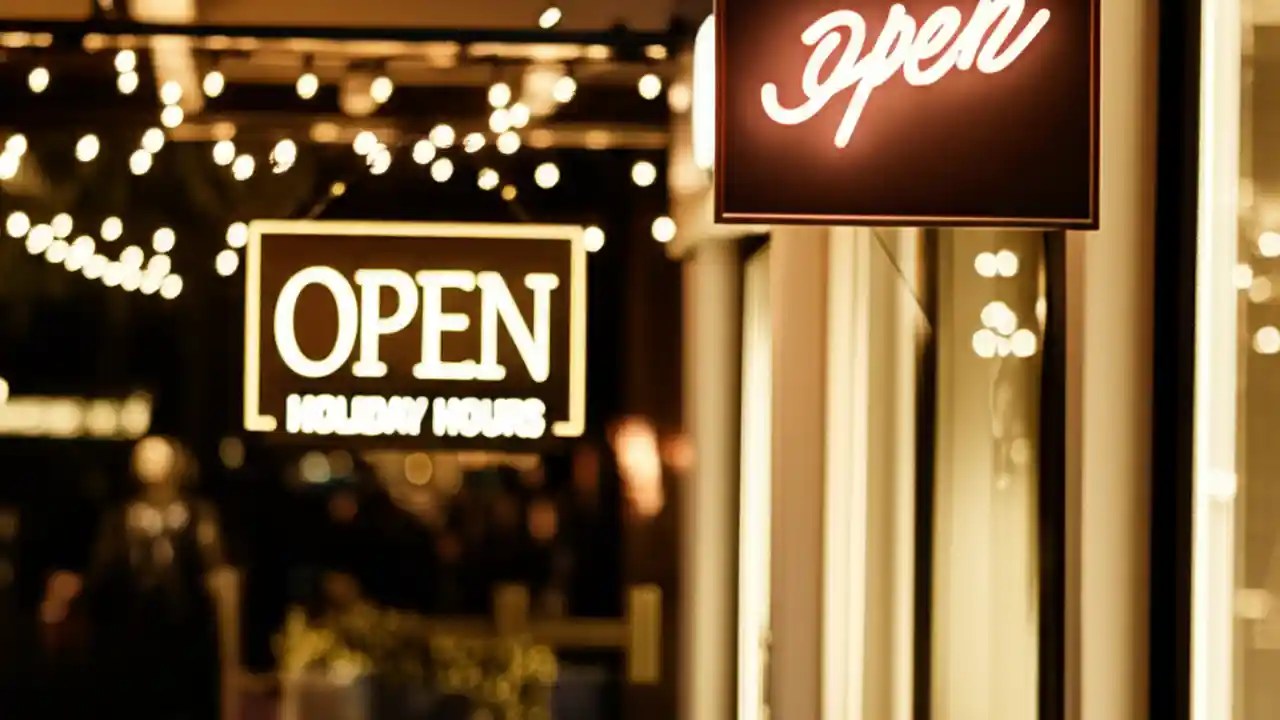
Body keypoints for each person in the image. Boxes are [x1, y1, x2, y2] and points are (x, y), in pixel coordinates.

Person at [71, 436, 230, 720]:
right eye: (146, 458)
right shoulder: (120, 518)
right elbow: (101, 575)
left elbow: (215, 575)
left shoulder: (197, 515)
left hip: (186, 639)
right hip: (131, 640)